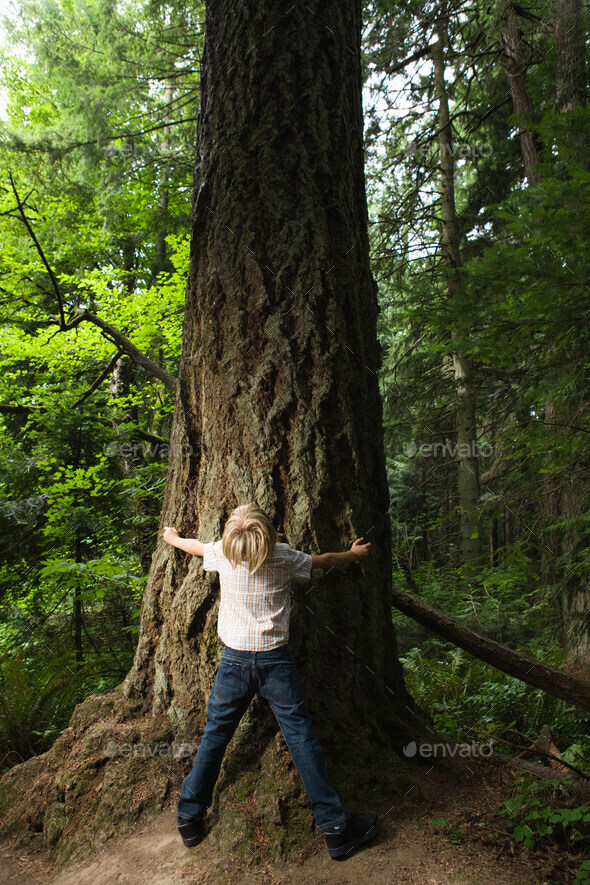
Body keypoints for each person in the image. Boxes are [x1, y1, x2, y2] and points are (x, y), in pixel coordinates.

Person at [163, 503, 379, 860]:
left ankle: (189, 815)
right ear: (269, 534)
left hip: (233, 661)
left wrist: (172, 537)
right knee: (299, 735)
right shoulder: (283, 557)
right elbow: (324, 560)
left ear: (233, 536)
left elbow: (195, 546)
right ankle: (336, 828)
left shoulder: (223, 553)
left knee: (216, 734)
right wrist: (353, 554)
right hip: (275, 660)